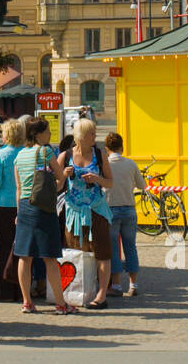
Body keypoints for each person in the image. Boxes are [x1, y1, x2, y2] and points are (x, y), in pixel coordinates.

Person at [12, 117, 73, 314]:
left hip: (24, 207)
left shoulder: (19, 156)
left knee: (25, 256)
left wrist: (19, 212)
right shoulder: (45, 151)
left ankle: (27, 301)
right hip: (43, 209)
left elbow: (19, 188)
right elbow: (60, 179)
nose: (50, 134)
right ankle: (61, 304)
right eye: (47, 131)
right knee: (49, 256)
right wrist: (64, 175)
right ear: (38, 134)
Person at [58, 119, 113, 309]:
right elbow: (55, 186)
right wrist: (64, 175)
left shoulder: (99, 154)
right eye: (91, 133)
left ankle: (101, 294)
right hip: (73, 214)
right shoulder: (65, 156)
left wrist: (97, 178)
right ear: (81, 136)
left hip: (96, 211)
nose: (94, 136)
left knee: (102, 253)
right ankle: (77, 291)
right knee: (77, 253)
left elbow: (110, 182)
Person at [102, 132, 144, 297]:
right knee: (130, 246)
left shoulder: (105, 164)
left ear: (106, 149)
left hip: (111, 209)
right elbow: (142, 185)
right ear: (122, 146)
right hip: (129, 209)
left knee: (113, 248)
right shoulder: (131, 163)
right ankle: (133, 284)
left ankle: (117, 285)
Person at [0, 119, 24, 301]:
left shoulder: (0, 155)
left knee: (4, 247)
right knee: (20, 247)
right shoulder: (25, 153)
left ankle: (6, 289)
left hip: (3, 203)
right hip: (22, 204)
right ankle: (20, 288)